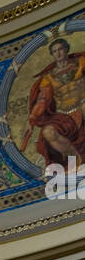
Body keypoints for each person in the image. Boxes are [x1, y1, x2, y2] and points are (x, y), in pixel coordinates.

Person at [23, 37, 85, 167]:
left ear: (66, 49)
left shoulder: (81, 63)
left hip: (83, 105)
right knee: (48, 132)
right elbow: (42, 100)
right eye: (55, 51)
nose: (58, 53)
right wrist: (31, 119)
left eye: (61, 49)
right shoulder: (48, 78)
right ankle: (73, 157)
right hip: (64, 115)